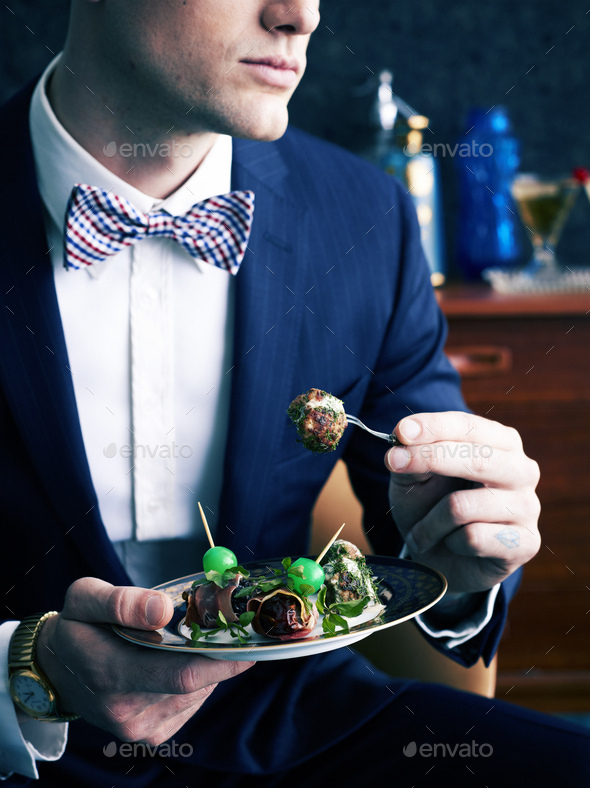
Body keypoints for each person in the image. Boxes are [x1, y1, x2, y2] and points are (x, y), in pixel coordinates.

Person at [0, 1, 588, 785]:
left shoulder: (368, 214)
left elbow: (426, 547)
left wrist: (468, 556)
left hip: (294, 730)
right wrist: (22, 673)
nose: (299, 15)